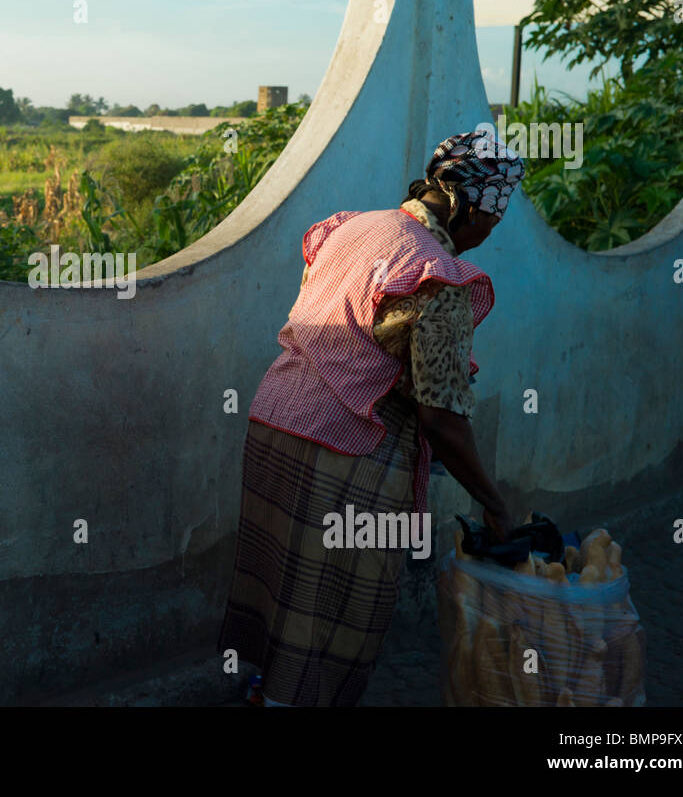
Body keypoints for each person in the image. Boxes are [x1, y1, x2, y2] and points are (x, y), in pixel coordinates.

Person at [218, 131, 525, 707]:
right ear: (477, 208)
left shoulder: (355, 226)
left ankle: (265, 692)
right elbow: (442, 420)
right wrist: (494, 503)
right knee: (329, 611)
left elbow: (344, 324)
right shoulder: (437, 277)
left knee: (280, 587)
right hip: (345, 447)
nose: (488, 236)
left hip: (276, 422)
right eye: (493, 222)